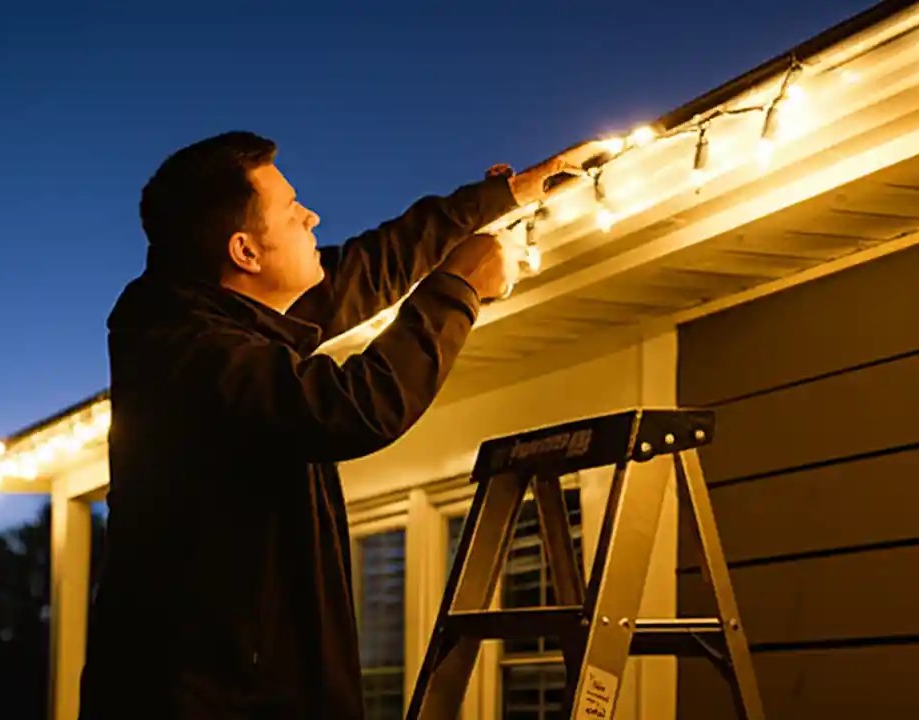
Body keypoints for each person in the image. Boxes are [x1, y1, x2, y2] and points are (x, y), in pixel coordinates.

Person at [77, 130, 581, 719]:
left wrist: (497, 199)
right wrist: (457, 289)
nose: (313, 217)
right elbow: (354, 408)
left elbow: (364, 272)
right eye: (293, 213)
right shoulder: (192, 353)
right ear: (245, 252)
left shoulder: (215, 319)